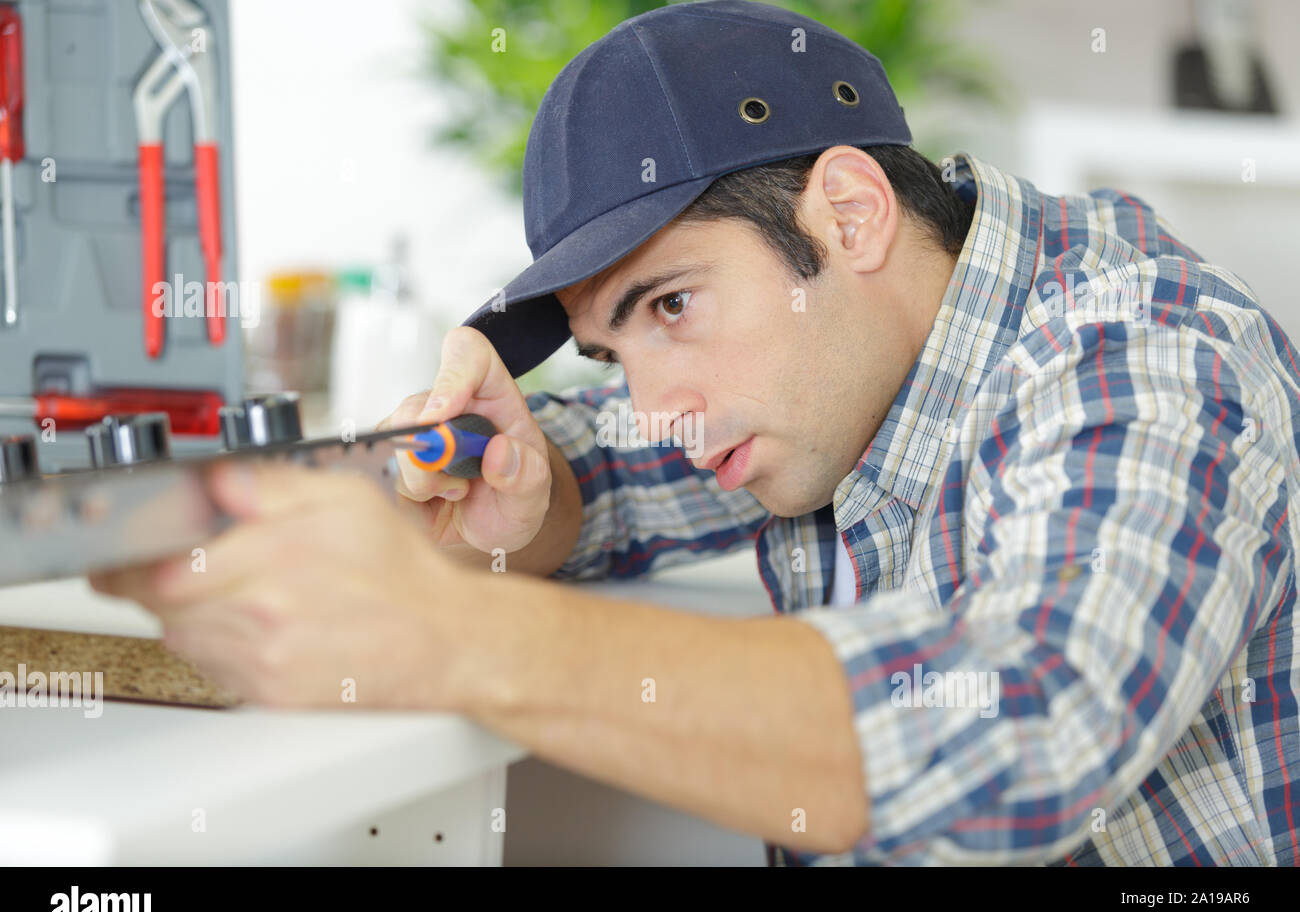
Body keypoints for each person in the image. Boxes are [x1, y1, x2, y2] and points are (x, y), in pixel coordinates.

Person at [93, 0, 1300, 866]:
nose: (658, 407)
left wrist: (449, 630)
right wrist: (498, 492)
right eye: (616, 345)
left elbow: (1029, 725)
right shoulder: (835, 355)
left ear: (849, 210)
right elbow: (588, 470)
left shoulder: (1148, 351)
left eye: (670, 304)